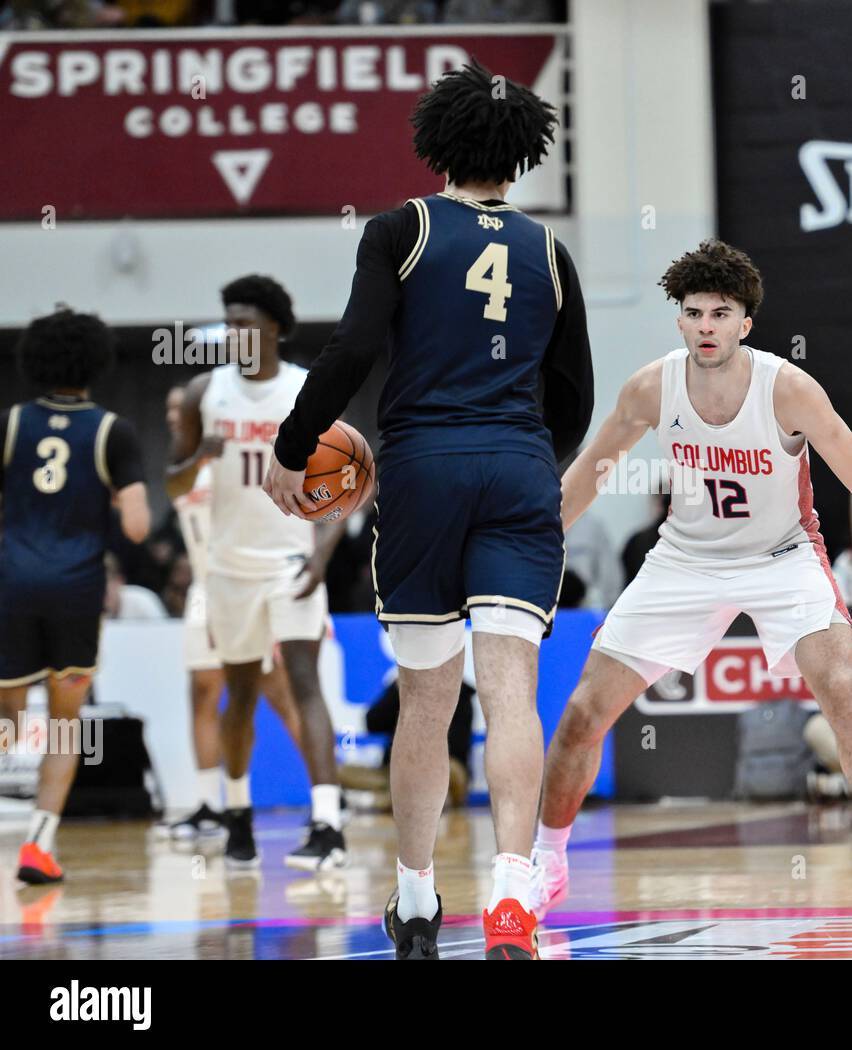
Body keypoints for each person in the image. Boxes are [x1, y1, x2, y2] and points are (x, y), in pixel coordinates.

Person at [527, 240, 852, 926]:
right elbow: (588, 475)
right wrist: (524, 551)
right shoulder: (652, 388)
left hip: (783, 556)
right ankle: (546, 859)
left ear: (746, 323)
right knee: (584, 714)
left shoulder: (788, 388)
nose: (706, 325)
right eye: (693, 313)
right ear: (679, 321)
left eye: (721, 313)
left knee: (841, 686)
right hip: (684, 558)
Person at [262, 60, 594, 960]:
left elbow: (353, 348)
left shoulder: (400, 229)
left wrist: (294, 447)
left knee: (425, 698)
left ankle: (414, 902)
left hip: (424, 470)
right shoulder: (549, 253)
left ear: (433, 140)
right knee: (512, 692)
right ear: (523, 153)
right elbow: (577, 398)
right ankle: (514, 894)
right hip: (523, 470)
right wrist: (527, 462)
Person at [167, 276, 350, 872]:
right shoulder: (203, 392)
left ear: (274, 327)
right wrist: (197, 459)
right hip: (227, 569)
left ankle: (328, 824)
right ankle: (237, 817)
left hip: (291, 562)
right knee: (239, 694)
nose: (236, 332)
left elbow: (351, 480)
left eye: (247, 320)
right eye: (230, 321)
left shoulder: (305, 389)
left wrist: (322, 558)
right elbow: (171, 484)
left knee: (305, 682)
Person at [0, 308, 150, 884]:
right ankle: (37, 846)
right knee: (66, 723)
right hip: (76, 593)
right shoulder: (113, 431)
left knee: (10, 722)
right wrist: (108, 502)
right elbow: (137, 529)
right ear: (96, 360)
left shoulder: (11, 423)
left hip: (13, 585)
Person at [160, 383, 302, 841]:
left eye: (179, 407)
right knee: (202, 693)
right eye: (169, 410)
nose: (172, 415)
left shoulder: (237, 453)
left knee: (280, 695)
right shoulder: (187, 464)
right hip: (207, 589)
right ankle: (207, 803)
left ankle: (329, 794)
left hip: (252, 583)